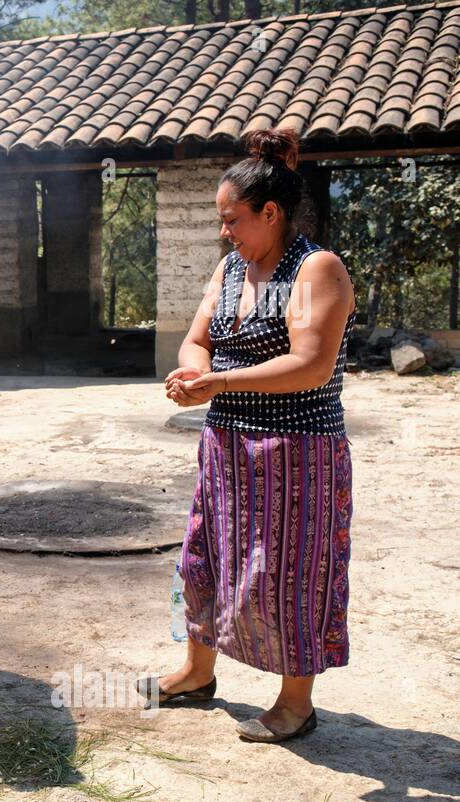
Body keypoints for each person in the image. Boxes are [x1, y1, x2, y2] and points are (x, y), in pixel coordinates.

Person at [140, 127, 356, 743]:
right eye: (221, 220)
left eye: (232, 219)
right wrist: (195, 371)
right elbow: (198, 337)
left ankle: (296, 702)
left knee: (291, 574)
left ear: (270, 212)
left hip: (299, 453)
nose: (224, 232)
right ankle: (196, 671)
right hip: (227, 447)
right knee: (205, 559)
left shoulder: (317, 268)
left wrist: (221, 383)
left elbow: (311, 364)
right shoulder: (231, 269)